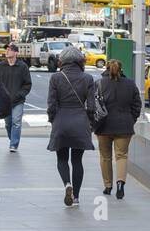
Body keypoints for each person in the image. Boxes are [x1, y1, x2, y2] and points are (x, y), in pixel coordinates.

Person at [47, 46, 95, 207]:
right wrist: (89, 122)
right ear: (80, 61)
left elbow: (51, 104)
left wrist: (52, 119)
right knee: (77, 160)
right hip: (80, 121)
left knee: (61, 158)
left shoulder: (56, 78)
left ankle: (67, 184)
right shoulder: (88, 78)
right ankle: (76, 197)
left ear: (63, 61)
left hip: (61, 120)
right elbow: (92, 107)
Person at [94, 59, 143, 199]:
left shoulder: (99, 83)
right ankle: (120, 183)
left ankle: (108, 186)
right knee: (121, 156)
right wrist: (131, 119)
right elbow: (137, 105)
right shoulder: (130, 84)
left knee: (105, 156)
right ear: (121, 69)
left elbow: (92, 105)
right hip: (124, 125)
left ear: (107, 68)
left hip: (103, 126)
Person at [0, 43, 33, 152]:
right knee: (8, 123)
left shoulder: (23, 67)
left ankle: (13, 144)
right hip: (5, 101)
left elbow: (27, 84)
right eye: (6, 49)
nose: (7, 51)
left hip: (18, 101)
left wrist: (19, 95)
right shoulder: (0, 67)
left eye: (10, 50)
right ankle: (12, 139)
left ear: (16, 53)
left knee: (16, 122)